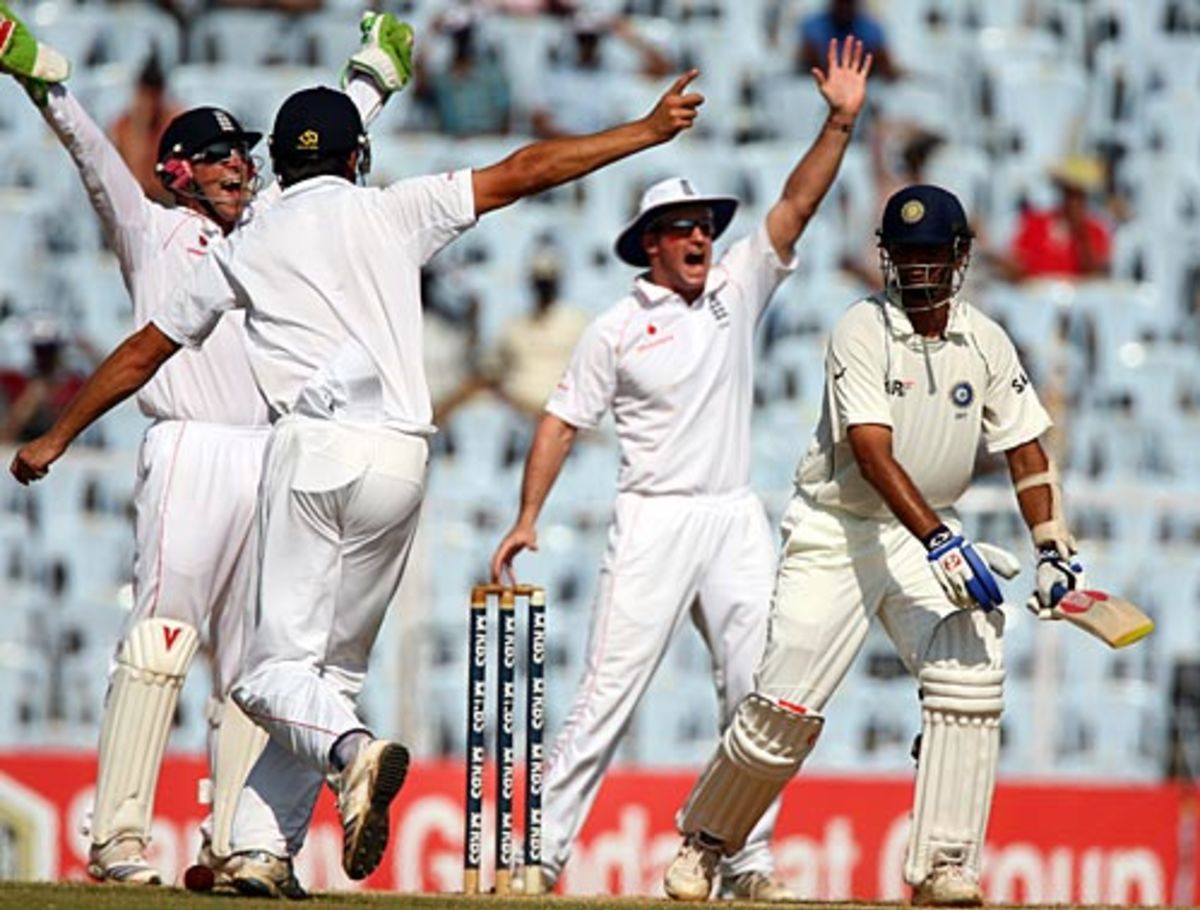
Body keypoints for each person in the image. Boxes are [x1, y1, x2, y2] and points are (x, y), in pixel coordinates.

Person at [10, 67, 706, 893]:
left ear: (284, 165)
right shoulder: (392, 208)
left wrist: (57, 435)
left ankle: (351, 752)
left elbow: (143, 352)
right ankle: (263, 850)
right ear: (356, 155)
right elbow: (526, 169)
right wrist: (644, 129)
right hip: (404, 462)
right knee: (329, 669)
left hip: (312, 455)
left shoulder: (249, 242)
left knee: (267, 675)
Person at [0, 2, 413, 893]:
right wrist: (36, 70)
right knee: (160, 641)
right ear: (178, 171)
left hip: (276, 455)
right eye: (219, 155)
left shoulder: (269, 222)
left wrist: (370, 78)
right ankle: (118, 842)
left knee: (257, 664)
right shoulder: (150, 226)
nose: (240, 165)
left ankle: (239, 846)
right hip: (186, 449)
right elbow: (90, 154)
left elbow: (329, 148)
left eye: (246, 155)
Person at [490, 37, 872, 901]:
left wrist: (839, 124)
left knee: (759, 692)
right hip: (654, 516)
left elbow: (796, 206)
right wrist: (526, 517)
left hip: (732, 513)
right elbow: (558, 423)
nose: (703, 235)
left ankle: (748, 857)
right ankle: (541, 854)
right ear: (650, 245)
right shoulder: (615, 328)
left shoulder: (738, 287)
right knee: (610, 692)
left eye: (706, 224)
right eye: (685, 227)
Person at [659, 184, 1088, 906]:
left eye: (932, 255)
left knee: (973, 664)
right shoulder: (861, 329)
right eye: (908, 255)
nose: (920, 270)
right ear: (887, 258)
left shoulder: (985, 341)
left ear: (959, 259)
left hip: (922, 533)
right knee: (781, 712)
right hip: (839, 532)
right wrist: (945, 541)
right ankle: (705, 844)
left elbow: (1026, 447)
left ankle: (944, 863)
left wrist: (1052, 549)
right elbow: (870, 453)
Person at [489, 241, 588, 419]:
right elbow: (495, 373)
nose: (544, 289)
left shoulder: (577, 322)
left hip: (563, 413)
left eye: (548, 282)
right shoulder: (514, 325)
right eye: (539, 282)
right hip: (517, 412)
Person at [999, 154, 1113, 281]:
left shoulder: (1095, 230)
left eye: (1079, 195)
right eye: (1070, 194)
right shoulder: (1035, 222)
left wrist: (1081, 233)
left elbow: (1096, 275)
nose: (1074, 202)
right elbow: (1016, 265)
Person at [107, 50, 183, 205]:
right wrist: (140, 125)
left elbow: (168, 184)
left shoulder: (176, 122)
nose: (151, 101)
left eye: (155, 95)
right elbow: (135, 179)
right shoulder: (124, 125)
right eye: (146, 94)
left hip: (169, 205)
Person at [797, 0, 898, 81]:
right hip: (817, 87)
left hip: (862, 86)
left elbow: (884, 63)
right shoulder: (813, 24)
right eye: (841, 2)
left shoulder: (871, 27)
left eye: (848, 2)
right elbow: (807, 58)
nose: (844, 7)